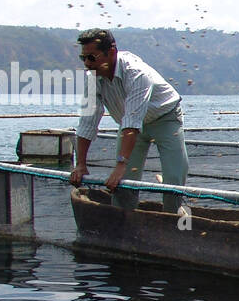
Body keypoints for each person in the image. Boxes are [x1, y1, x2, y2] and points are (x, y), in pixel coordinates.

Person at [70, 29, 190, 214]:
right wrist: (81, 164)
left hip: (165, 118)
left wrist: (120, 164)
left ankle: (173, 219)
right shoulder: (92, 78)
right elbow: (88, 122)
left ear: (111, 52)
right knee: (123, 183)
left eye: (92, 58)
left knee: (173, 178)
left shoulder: (136, 72)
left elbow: (132, 121)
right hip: (130, 127)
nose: (87, 64)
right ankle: (123, 223)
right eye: (83, 58)